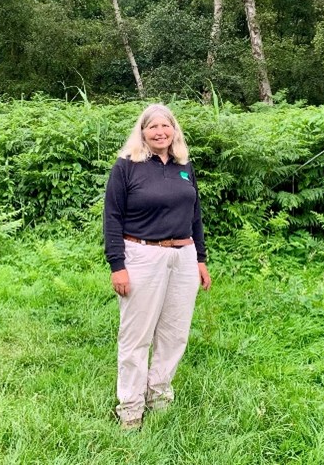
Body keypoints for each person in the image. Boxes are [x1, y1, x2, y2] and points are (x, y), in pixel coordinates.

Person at [103, 103, 212, 430]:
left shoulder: (184, 166)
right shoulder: (126, 167)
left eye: (166, 126)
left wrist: (201, 260)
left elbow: (195, 216)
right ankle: (131, 409)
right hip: (142, 256)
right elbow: (112, 218)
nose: (160, 132)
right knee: (136, 337)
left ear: (174, 131)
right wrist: (117, 264)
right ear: (143, 131)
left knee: (174, 334)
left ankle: (159, 396)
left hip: (183, 258)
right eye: (153, 127)